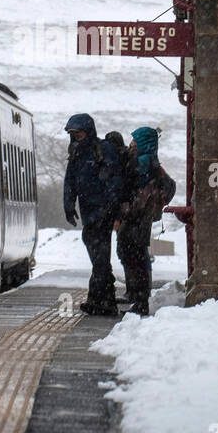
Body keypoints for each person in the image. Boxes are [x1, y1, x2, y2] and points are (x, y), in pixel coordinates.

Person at [63, 114, 124, 315]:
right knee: (98, 256)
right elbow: (70, 180)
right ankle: (104, 300)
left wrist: (111, 208)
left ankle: (98, 299)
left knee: (99, 256)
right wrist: (69, 205)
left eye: (78, 133)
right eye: (73, 134)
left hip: (103, 211)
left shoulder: (103, 150)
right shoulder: (76, 152)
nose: (76, 137)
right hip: (88, 211)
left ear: (88, 131)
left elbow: (114, 180)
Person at [115, 126, 176, 317]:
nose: (132, 144)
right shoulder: (151, 161)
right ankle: (137, 296)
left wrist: (124, 211)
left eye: (135, 141)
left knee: (133, 256)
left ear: (142, 142)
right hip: (141, 217)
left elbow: (133, 191)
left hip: (136, 217)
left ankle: (140, 300)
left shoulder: (142, 162)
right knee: (134, 254)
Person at [104, 130, 139, 304]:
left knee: (127, 252)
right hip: (129, 212)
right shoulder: (127, 157)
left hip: (126, 213)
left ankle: (134, 292)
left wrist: (117, 216)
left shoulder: (120, 161)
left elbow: (121, 191)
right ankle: (134, 291)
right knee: (130, 253)